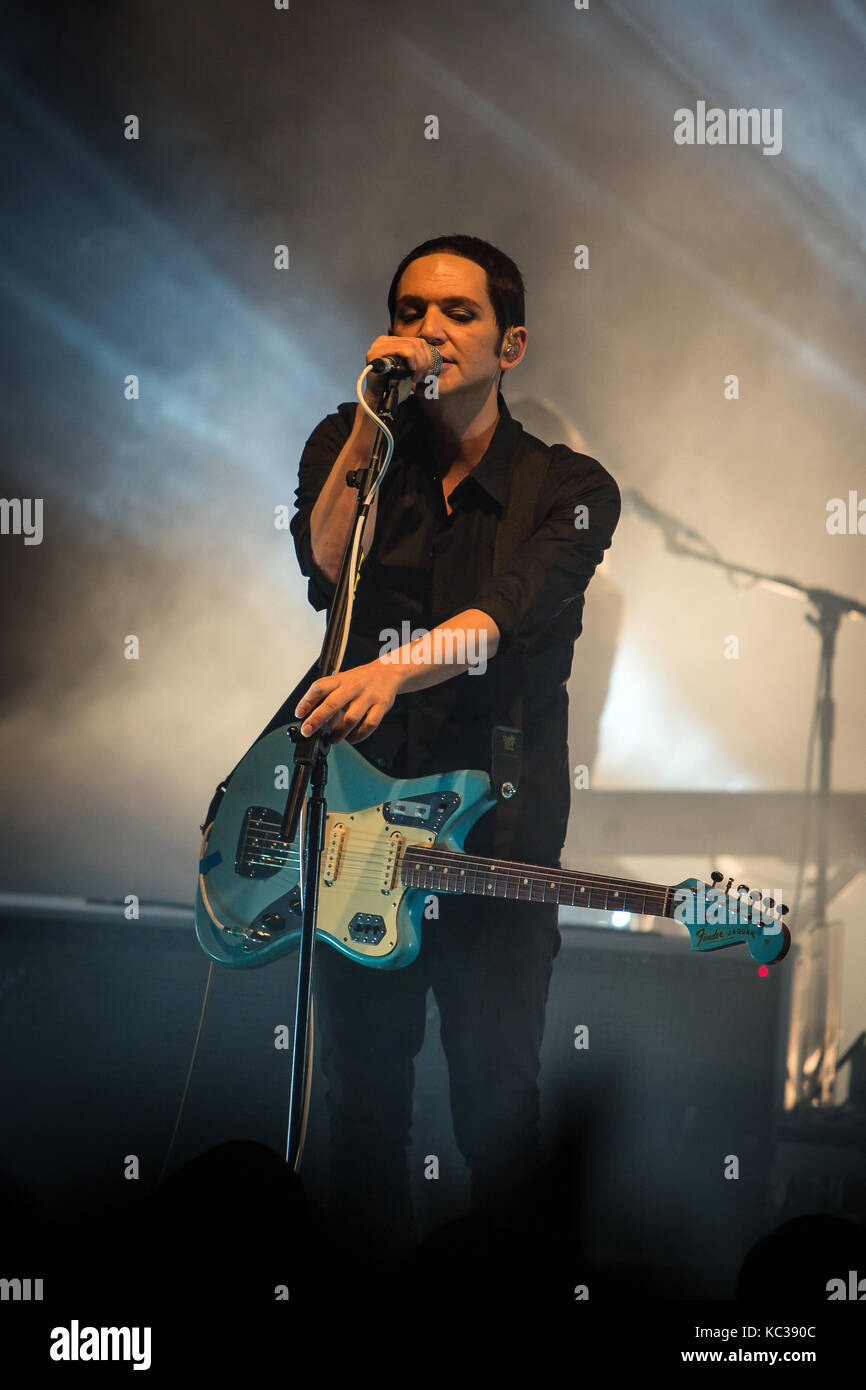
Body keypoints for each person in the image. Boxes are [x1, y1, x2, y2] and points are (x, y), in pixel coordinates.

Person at [262, 234, 621, 1266]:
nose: (429, 330)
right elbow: (325, 564)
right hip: (357, 825)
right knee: (359, 1103)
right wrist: (368, 427)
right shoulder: (352, 442)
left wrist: (389, 672)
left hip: (494, 832)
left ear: (510, 343)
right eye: (411, 310)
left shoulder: (571, 488)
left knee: (494, 1100)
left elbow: (502, 615)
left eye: (456, 314)